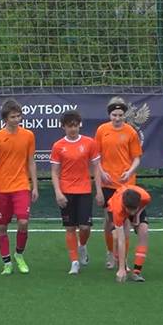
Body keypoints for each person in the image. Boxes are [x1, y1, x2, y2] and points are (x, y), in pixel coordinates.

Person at [0, 99, 37, 274]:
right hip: (1, 189)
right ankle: (7, 262)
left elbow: (31, 161)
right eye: (13, 117)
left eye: (18, 116)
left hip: (21, 185)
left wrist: (35, 186)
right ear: (5, 118)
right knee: (2, 227)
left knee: (23, 222)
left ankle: (19, 254)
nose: (16, 119)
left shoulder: (28, 135)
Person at [49, 110, 103, 276]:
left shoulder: (89, 143)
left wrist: (99, 191)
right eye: (69, 126)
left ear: (79, 125)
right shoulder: (58, 146)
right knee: (70, 227)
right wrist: (58, 192)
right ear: (63, 127)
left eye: (75, 125)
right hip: (66, 191)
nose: (73, 129)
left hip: (84, 190)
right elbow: (54, 172)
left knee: (85, 227)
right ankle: (74, 262)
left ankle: (82, 246)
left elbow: (96, 168)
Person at [94, 97, 143, 270]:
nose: (117, 118)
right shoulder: (101, 130)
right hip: (108, 184)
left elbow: (137, 157)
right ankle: (110, 252)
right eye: (114, 115)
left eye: (120, 115)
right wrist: (102, 172)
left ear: (125, 115)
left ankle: (124, 258)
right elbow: (96, 157)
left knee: (125, 223)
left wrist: (129, 172)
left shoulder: (130, 132)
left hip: (126, 184)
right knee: (109, 221)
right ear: (109, 115)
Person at [107, 183, 152, 283]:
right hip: (114, 209)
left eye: (133, 210)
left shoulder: (145, 197)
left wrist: (137, 215)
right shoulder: (117, 208)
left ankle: (136, 272)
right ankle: (121, 266)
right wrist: (121, 269)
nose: (132, 212)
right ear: (124, 205)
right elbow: (121, 240)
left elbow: (143, 205)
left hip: (136, 208)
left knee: (144, 231)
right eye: (129, 210)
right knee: (118, 237)